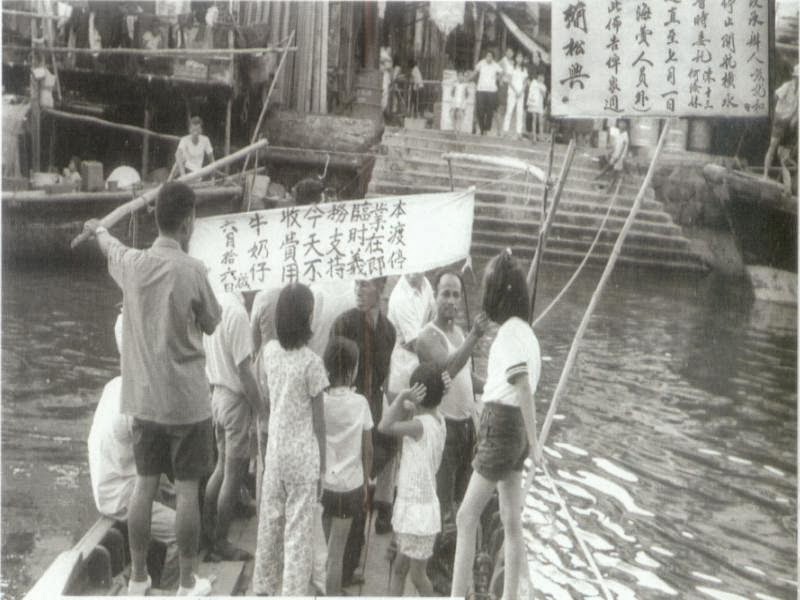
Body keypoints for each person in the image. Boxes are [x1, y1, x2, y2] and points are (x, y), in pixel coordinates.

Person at [82, 181, 222, 596]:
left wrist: (99, 230)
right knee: (186, 492)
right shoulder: (193, 270)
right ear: (187, 223)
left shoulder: (133, 263)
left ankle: (140, 577)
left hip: (143, 402)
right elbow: (212, 322)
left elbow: (109, 247)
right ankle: (185, 583)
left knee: (144, 484)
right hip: (186, 403)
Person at [450, 250, 542, 600]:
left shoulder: (508, 337)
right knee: (510, 519)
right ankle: (510, 597)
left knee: (465, 516)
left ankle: (458, 596)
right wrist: (528, 441)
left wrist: (536, 443)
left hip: (502, 427)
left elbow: (521, 389)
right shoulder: (528, 335)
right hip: (513, 429)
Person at [87, 311, 178, 589]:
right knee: (182, 532)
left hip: (106, 484)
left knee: (168, 493)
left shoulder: (113, 385)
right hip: (119, 494)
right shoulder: (139, 399)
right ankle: (173, 589)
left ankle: (148, 570)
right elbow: (158, 465)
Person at [252, 283, 328, 596]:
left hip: (276, 452)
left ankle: (262, 588)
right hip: (303, 456)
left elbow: (266, 399)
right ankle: (293, 592)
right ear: (306, 317)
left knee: (270, 525)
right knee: (298, 534)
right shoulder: (312, 363)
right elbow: (319, 424)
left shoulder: (269, 353)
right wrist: (322, 467)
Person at [330, 277, 396, 586]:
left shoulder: (389, 331)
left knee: (363, 486)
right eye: (356, 283)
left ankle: (348, 563)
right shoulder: (343, 323)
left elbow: (383, 375)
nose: (358, 289)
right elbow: (331, 369)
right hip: (345, 413)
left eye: (366, 284)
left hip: (370, 411)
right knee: (345, 490)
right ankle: (336, 567)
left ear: (380, 289)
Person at [416, 271, 488, 528]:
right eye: (445, 293)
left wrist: (495, 387)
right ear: (434, 297)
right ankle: (430, 560)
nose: (451, 300)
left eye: (456, 295)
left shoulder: (459, 332)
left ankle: (452, 553)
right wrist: (475, 336)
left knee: (463, 500)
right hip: (444, 428)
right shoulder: (426, 337)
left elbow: (467, 378)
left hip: (468, 427)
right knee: (442, 501)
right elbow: (448, 370)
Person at [201, 291, 262, 561]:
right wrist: (262, 410)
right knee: (234, 472)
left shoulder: (215, 303)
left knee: (221, 467)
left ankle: (207, 531)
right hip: (235, 400)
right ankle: (221, 541)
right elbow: (244, 372)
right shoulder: (236, 313)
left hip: (217, 394)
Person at [379, 363, 446, 596]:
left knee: (415, 575)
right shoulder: (439, 420)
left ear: (417, 394)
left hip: (415, 511)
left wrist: (401, 399)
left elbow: (384, 425)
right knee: (401, 568)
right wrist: (413, 403)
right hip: (422, 509)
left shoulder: (418, 426)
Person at [382, 272, 435, 532]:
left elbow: (432, 320)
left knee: (408, 441)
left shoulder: (426, 286)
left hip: (419, 368)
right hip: (402, 371)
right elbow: (416, 343)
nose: (417, 272)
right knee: (396, 439)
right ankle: (384, 504)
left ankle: (396, 497)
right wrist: (444, 362)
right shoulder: (400, 297)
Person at [320, 337, 374, 596]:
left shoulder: (319, 402)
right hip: (349, 487)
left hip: (323, 485)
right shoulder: (360, 403)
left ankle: (326, 589)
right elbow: (368, 448)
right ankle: (332, 593)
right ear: (352, 370)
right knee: (335, 555)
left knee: (327, 548)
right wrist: (366, 483)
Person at [764, 65, 799, 181]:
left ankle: (787, 183)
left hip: (789, 122)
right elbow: (775, 96)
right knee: (772, 147)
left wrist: (794, 119)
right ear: (795, 77)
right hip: (780, 119)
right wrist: (776, 112)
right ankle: (765, 175)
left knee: (784, 155)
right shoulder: (787, 86)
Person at [472, 50, 503, 135]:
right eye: (487, 56)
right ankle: (482, 128)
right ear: (485, 57)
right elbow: (475, 72)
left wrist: (498, 78)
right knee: (480, 110)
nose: (488, 58)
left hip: (492, 91)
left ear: (493, 58)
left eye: (490, 56)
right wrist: (467, 79)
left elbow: (501, 72)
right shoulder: (481, 63)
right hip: (481, 90)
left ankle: (486, 129)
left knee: (490, 112)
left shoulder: (495, 65)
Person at [595, 119, 629, 189]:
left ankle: (609, 186)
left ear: (626, 126)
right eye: (620, 123)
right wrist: (609, 149)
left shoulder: (625, 135)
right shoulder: (618, 134)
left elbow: (623, 148)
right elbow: (615, 145)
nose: (621, 125)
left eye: (623, 123)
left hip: (620, 157)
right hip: (615, 155)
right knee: (608, 167)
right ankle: (598, 177)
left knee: (614, 172)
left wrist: (619, 157)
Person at [503, 53, 528, 140]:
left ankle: (519, 133)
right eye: (518, 57)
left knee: (520, 113)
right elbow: (509, 81)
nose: (519, 59)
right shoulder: (511, 68)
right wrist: (515, 91)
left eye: (521, 57)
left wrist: (521, 91)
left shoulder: (524, 69)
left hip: (521, 94)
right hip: (512, 92)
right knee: (509, 111)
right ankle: (505, 131)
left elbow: (525, 82)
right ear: (515, 58)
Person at [526, 73, 548, 143]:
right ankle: (534, 136)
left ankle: (541, 137)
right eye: (540, 77)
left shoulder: (544, 86)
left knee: (540, 121)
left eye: (543, 77)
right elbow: (529, 87)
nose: (541, 78)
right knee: (534, 120)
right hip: (533, 103)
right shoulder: (533, 83)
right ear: (538, 77)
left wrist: (540, 88)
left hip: (540, 105)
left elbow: (544, 96)